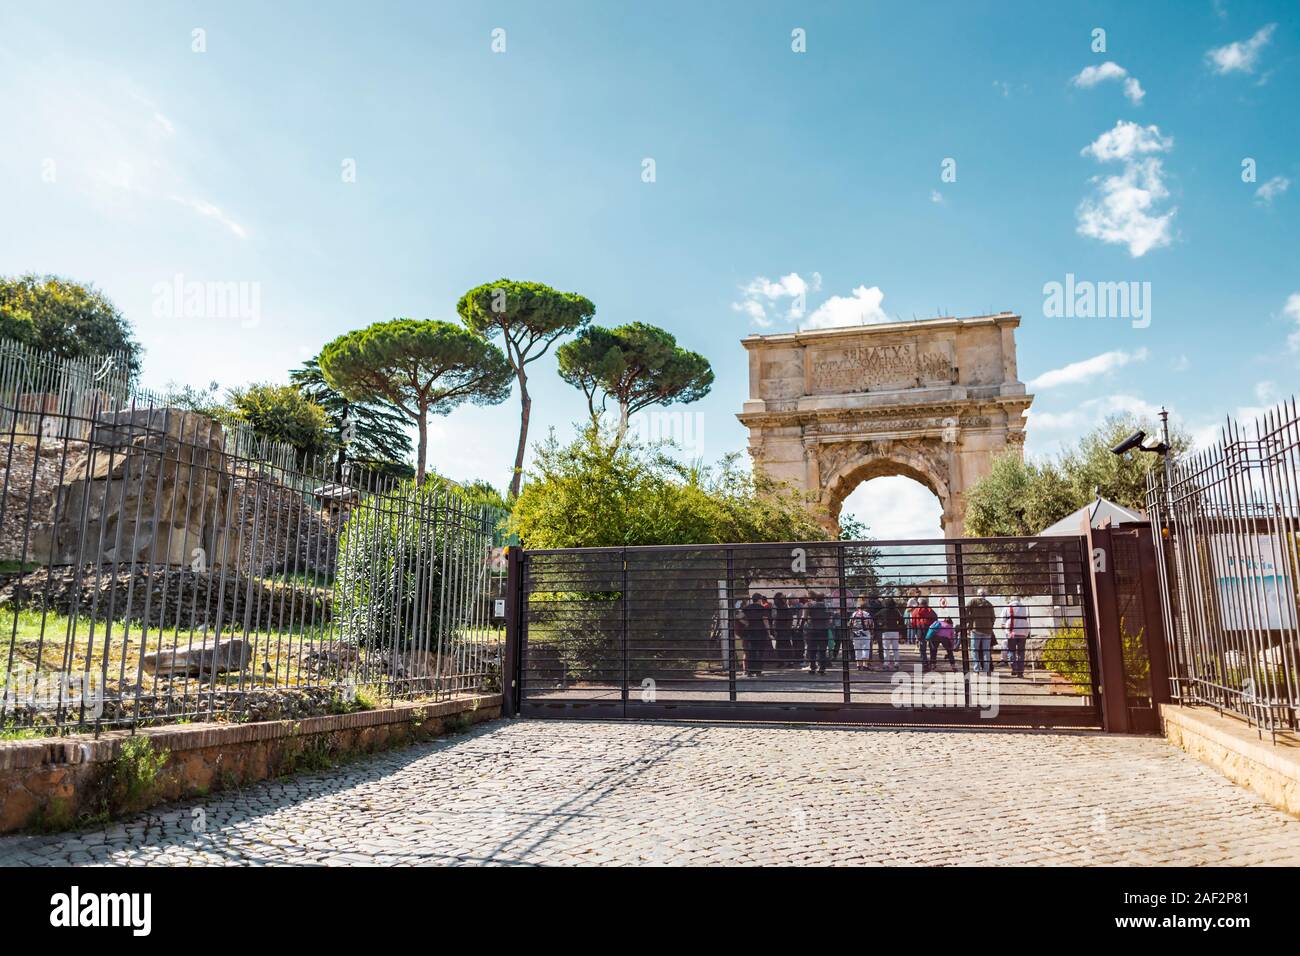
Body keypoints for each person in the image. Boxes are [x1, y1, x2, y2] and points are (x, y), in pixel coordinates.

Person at [965, 588, 996, 675]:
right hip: (987, 631)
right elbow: (993, 618)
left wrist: (969, 622)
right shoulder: (989, 604)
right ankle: (986, 670)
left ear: (978, 594)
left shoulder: (973, 601)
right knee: (986, 651)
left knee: (975, 650)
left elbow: (965, 612)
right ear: (985, 595)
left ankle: (977, 669)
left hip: (976, 629)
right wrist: (990, 626)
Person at [1003, 594, 1030, 678]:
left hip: (1012, 632)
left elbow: (1003, 620)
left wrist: (1005, 628)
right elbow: (1027, 619)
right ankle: (1020, 672)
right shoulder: (1024, 607)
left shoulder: (1008, 607)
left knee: (1012, 651)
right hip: (1023, 632)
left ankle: (1014, 667)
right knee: (1021, 653)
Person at [804, 593, 831, 675]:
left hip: (812, 629)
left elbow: (805, 616)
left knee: (812, 649)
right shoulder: (827, 606)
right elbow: (830, 617)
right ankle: (822, 668)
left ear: (815, 598)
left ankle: (812, 667)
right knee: (822, 650)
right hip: (823, 629)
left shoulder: (809, 605)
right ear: (823, 598)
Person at [849, 596, 874, 671]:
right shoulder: (867, 614)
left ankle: (858, 665)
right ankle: (865, 665)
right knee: (865, 648)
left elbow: (850, 623)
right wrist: (872, 632)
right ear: (865, 607)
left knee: (857, 649)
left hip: (856, 632)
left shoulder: (854, 614)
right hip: (865, 632)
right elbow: (871, 624)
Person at [878, 597, 903, 670]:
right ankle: (897, 664)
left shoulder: (882, 611)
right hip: (895, 631)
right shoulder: (896, 611)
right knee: (896, 649)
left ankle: (886, 664)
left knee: (886, 649)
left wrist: (880, 623)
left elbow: (875, 617)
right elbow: (901, 620)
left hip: (886, 631)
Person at [772, 593, 796, 668]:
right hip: (780, 629)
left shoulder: (783, 608)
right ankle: (783, 661)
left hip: (783, 629)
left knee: (785, 645)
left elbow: (789, 619)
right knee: (781, 645)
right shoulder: (778, 607)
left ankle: (788, 662)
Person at [911, 596, 937, 664]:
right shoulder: (930, 610)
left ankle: (924, 662)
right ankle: (932, 662)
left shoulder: (916, 610)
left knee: (922, 646)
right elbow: (935, 618)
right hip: (930, 629)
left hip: (920, 629)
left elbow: (913, 621)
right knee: (932, 646)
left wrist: (915, 631)